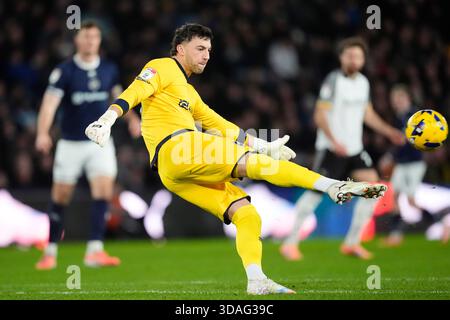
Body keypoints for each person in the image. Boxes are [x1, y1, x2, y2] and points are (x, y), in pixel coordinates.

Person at [85, 24, 387, 295]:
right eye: (200, 48)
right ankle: (334, 186)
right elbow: (135, 91)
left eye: (209, 50)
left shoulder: (188, 93)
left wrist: (264, 145)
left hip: (173, 172)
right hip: (179, 148)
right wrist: (107, 118)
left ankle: (256, 279)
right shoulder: (161, 66)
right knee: (262, 168)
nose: (206, 55)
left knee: (246, 214)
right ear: (180, 48)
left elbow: (220, 124)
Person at [280, 37, 405, 261]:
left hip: (355, 149)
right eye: (349, 55)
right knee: (315, 193)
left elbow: (368, 114)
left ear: (363, 59)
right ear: (341, 58)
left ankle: (352, 242)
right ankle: (290, 242)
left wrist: (389, 132)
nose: (354, 59)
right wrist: (333, 140)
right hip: (331, 149)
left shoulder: (364, 83)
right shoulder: (333, 81)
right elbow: (319, 115)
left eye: (358, 56)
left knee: (372, 190)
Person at [35, 21, 141, 270]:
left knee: (103, 193)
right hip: (70, 144)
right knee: (61, 196)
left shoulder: (108, 69)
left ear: (99, 41)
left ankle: (94, 251)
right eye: (86, 37)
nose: (91, 41)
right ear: (77, 40)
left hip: (100, 144)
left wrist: (133, 119)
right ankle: (50, 251)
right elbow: (49, 104)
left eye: (95, 37)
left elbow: (119, 97)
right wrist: (42, 133)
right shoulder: (65, 71)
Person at [382, 85, 449, 246]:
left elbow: (420, 139)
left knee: (411, 200)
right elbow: (399, 143)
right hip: (401, 163)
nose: (397, 102)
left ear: (408, 98)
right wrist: (390, 156)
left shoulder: (416, 117)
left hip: (414, 163)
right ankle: (396, 235)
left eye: (400, 98)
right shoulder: (398, 117)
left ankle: (442, 224)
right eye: (394, 99)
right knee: (395, 198)